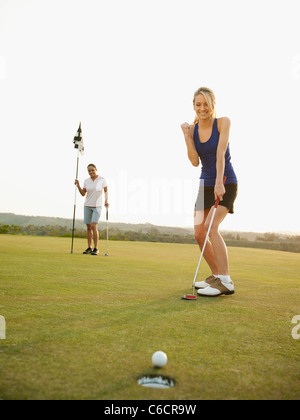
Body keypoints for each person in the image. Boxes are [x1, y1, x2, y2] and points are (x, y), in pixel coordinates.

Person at [181, 87, 238, 297]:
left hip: (225, 181)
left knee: (211, 227)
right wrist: (187, 136)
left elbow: (220, 153)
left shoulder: (223, 122)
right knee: (199, 233)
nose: (202, 108)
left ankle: (226, 280)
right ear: (194, 106)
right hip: (204, 185)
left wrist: (218, 183)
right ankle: (216, 277)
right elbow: (195, 161)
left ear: (213, 104)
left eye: (206, 104)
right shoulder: (194, 129)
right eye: (198, 104)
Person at [75, 164, 109, 255]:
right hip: (87, 205)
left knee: (94, 225)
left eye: (92, 170)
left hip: (97, 206)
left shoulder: (101, 179)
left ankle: (96, 248)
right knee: (88, 227)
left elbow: (106, 191)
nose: (91, 172)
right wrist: (78, 185)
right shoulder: (86, 181)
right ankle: (89, 247)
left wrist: (106, 201)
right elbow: (83, 193)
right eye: (89, 171)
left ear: (96, 170)